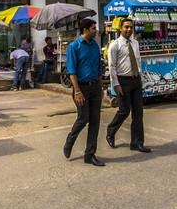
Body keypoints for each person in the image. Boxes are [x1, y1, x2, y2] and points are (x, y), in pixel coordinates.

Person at [64, 18, 104, 166]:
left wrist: (100, 88)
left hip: (95, 87)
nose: (96, 31)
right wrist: (77, 91)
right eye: (94, 28)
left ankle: (90, 154)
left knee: (95, 120)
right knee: (83, 118)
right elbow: (71, 71)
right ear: (85, 30)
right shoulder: (74, 47)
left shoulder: (95, 46)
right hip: (81, 87)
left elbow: (99, 68)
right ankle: (70, 140)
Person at [106, 18, 150, 153]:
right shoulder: (115, 45)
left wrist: (141, 78)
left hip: (136, 80)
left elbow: (138, 61)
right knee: (124, 111)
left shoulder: (136, 43)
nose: (129, 30)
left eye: (131, 27)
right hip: (122, 82)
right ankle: (110, 132)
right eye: (126, 27)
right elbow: (112, 66)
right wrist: (116, 84)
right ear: (121, 28)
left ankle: (137, 142)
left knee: (138, 112)